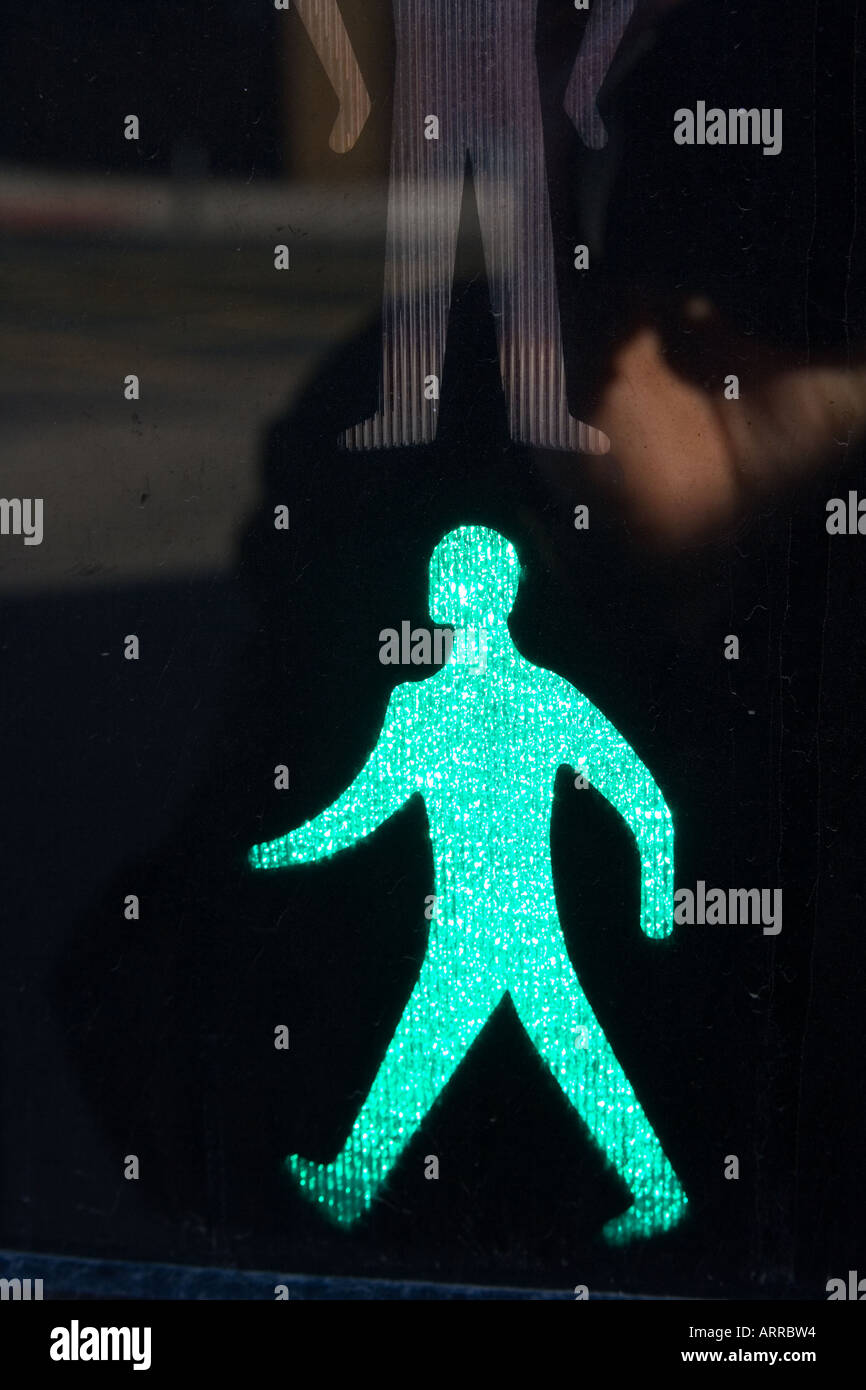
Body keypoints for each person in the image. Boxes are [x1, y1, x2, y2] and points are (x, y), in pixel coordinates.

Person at [249, 524, 688, 1241]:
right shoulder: (435, 706)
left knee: (546, 1053)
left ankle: (657, 1190)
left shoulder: (512, 701)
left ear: (478, 592)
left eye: (448, 569)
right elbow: (359, 812)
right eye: (438, 565)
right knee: (474, 1051)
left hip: (503, 933)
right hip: (479, 933)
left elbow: (647, 804)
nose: (435, 579)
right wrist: (281, 851)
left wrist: (656, 903)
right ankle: (354, 1181)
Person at [291, 0, 639, 451]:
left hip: (508, 91)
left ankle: (544, 408)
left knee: (532, 250)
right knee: (435, 255)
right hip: (452, 88)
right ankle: (404, 410)